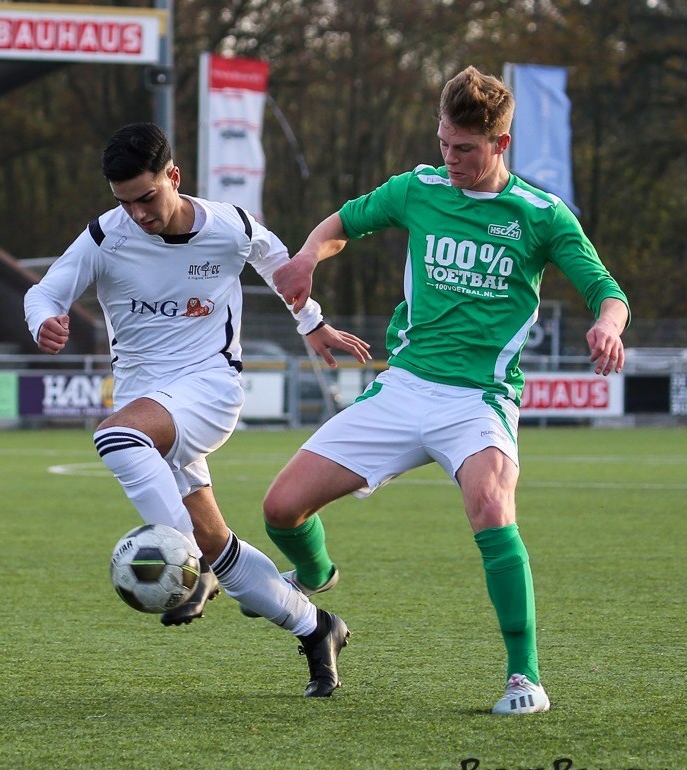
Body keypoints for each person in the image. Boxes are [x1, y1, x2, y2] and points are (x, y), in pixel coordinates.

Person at [261, 66, 630, 714]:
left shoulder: (541, 217)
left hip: (478, 400)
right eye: (444, 144)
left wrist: (606, 325)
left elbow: (607, 291)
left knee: (491, 507)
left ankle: (525, 678)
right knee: (279, 509)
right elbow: (342, 222)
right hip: (404, 386)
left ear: (501, 145)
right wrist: (308, 256)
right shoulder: (418, 189)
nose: (451, 160)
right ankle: (318, 575)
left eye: (465, 149)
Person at [24, 122, 372, 697]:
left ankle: (188, 565)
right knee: (219, 547)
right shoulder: (105, 237)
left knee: (117, 438)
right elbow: (45, 292)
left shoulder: (227, 225)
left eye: (147, 197)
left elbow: (278, 261)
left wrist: (314, 325)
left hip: (209, 388)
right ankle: (317, 628)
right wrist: (45, 321)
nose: (137, 213)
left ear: (174, 177)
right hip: (149, 401)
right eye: (124, 202)